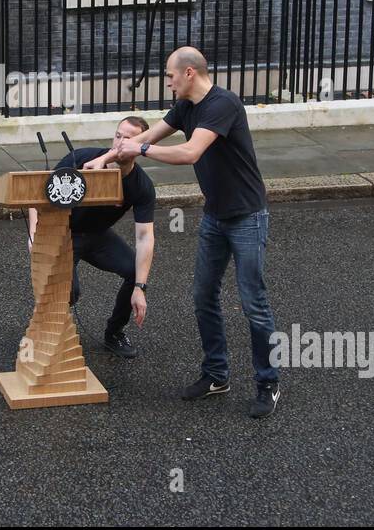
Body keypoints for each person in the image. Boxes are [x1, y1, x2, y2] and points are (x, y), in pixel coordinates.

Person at [104, 46, 280, 418]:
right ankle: (217, 375)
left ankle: (268, 383)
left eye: (169, 75)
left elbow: (189, 153)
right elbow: (148, 135)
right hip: (215, 216)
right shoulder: (185, 107)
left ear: (188, 73)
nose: (166, 81)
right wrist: (105, 157)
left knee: (254, 303)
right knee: (203, 296)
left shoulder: (223, 104)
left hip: (248, 216)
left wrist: (142, 148)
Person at [27, 116, 156, 358]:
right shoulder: (82, 159)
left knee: (134, 270)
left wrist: (141, 286)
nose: (120, 142)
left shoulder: (141, 186)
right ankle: (49, 333)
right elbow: (37, 193)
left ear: (140, 146)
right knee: (69, 293)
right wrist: (35, 235)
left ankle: (114, 332)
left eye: (128, 139)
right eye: (118, 135)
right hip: (63, 234)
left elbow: (145, 236)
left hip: (98, 236)